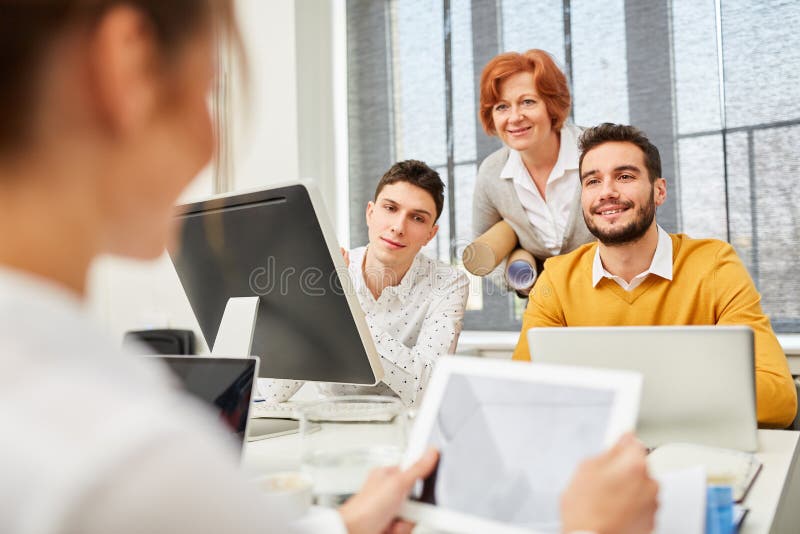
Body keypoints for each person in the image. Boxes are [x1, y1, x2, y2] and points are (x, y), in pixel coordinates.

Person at [0, 2, 657, 532]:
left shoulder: (80, 420)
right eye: (207, 89)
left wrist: (343, 526)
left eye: (419, 217)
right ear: (128, 70)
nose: (209, 138)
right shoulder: (133, 460)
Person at [512, 123, 797, 428]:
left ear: (659, 191)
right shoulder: (556, 279)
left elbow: (778, 398)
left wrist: (622, 393)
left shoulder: (714, 265)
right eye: (593, 181)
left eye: (624, 176)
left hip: (692, 453)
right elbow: (517, 393)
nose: (607, 192)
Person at [260, 160, 469, 408]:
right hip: (329, 424)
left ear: (430, 234)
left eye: (417, 218)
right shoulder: (323, 274)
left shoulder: (448, 283)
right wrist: (311, 305)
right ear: (370, 213)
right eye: (390, 208)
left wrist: (343, 310)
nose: (398, 227)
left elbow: (427, 391)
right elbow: (273, 391)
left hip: (403, 430)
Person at [472, 49, 594, 291]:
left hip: (614, 302)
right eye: (501, 107)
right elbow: (485, 252)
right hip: (545, 309)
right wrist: (521, 281)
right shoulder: (492, 173)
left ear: (551, 105)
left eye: (528, 101)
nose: (515, 117)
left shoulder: (597, 151)